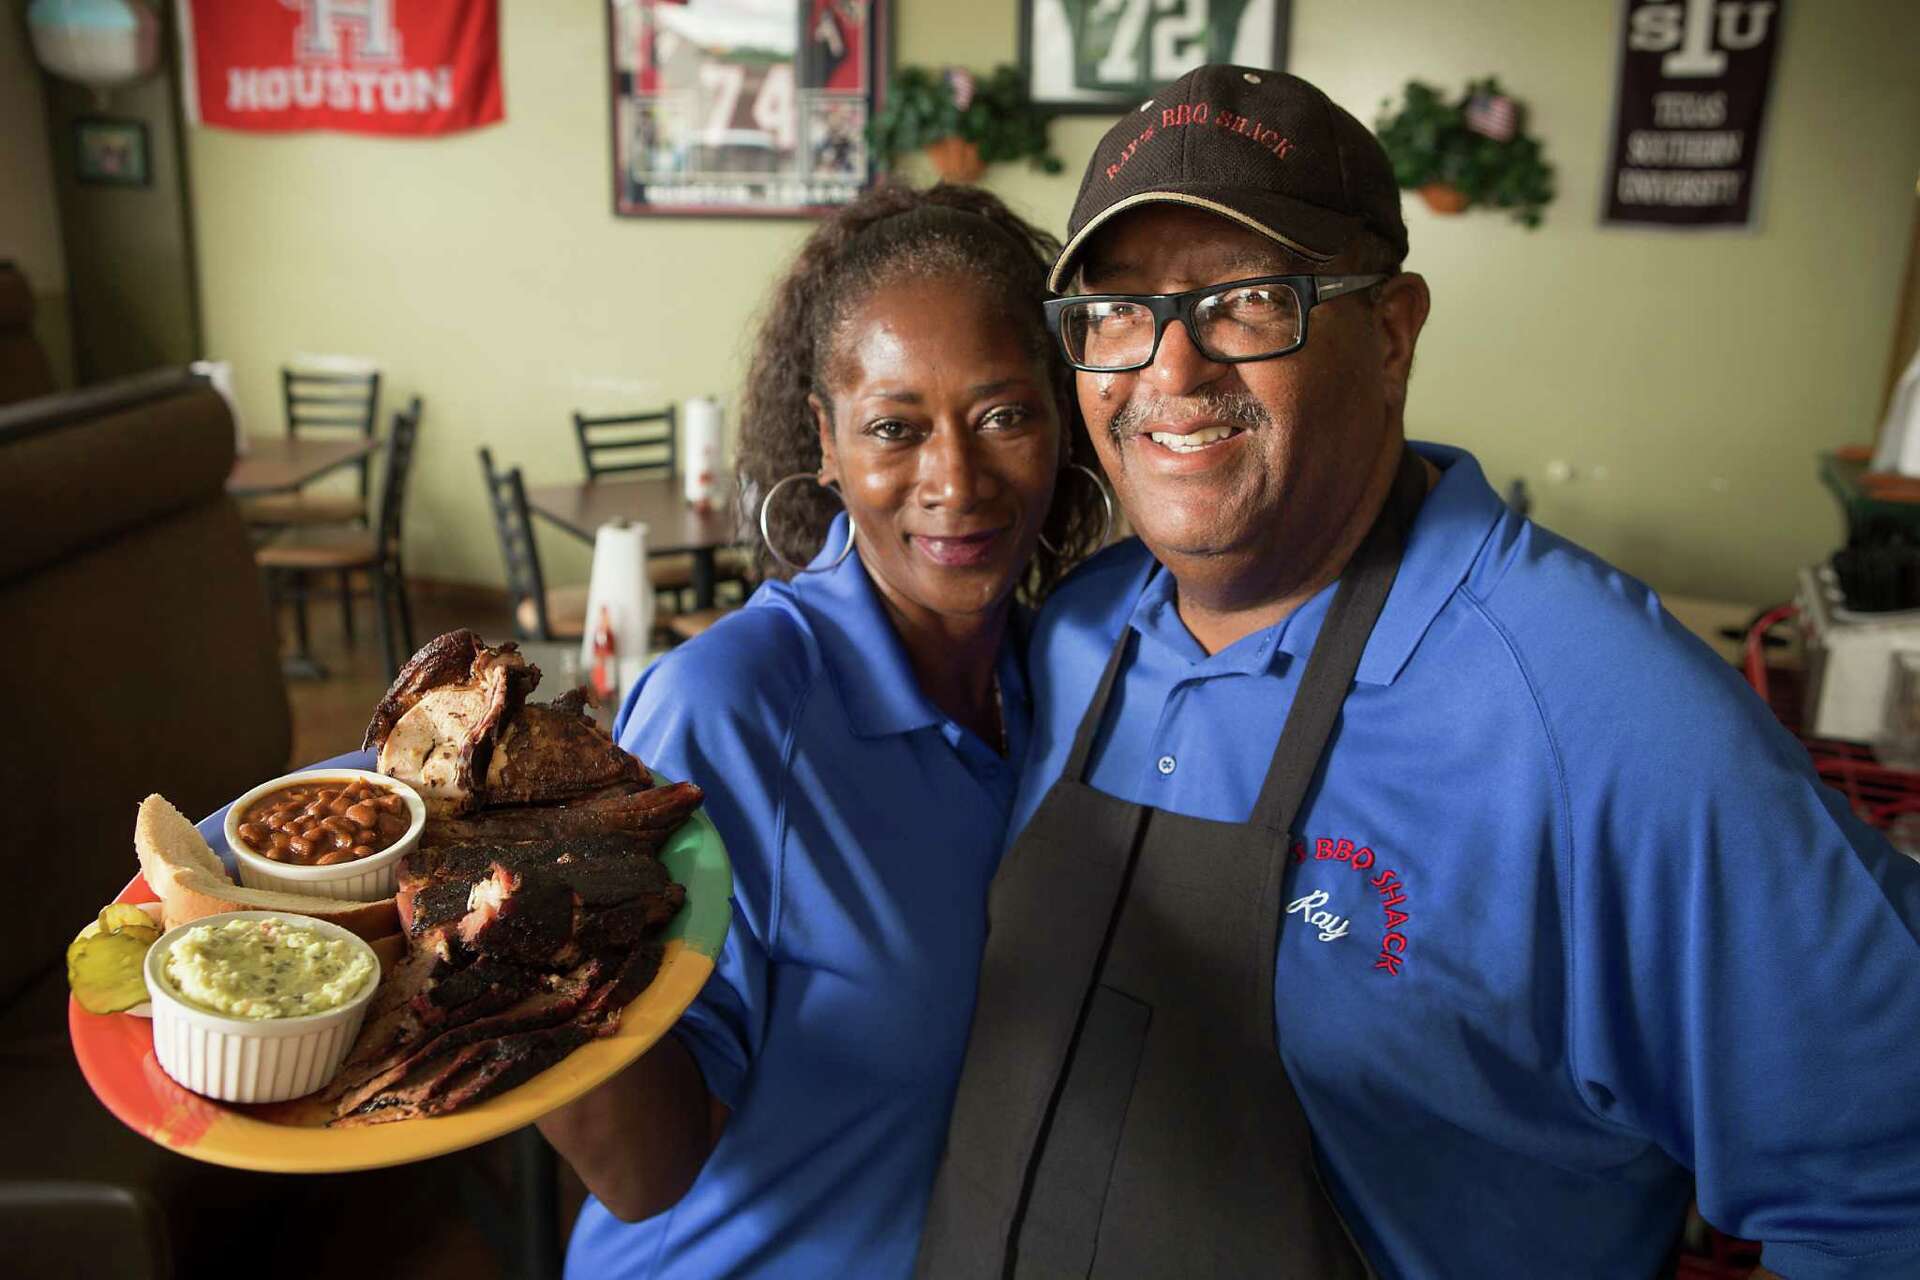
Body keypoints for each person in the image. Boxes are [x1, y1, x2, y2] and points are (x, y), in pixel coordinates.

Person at [918, 66, 1920, 1280]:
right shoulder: (1076, 634)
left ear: (1390, 332)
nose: (1168, 375)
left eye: (1245, 301)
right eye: (1118, 313)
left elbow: (1886, 1195)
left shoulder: (1609, 719)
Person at [541, 184, 1110, 1280]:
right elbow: (642, 1169)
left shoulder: (1057, 683)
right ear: (827, 441)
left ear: (1064, 414)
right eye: (896, 427)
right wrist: (517, 944)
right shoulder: (731, 707)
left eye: (1003, 415)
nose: (955, 479)